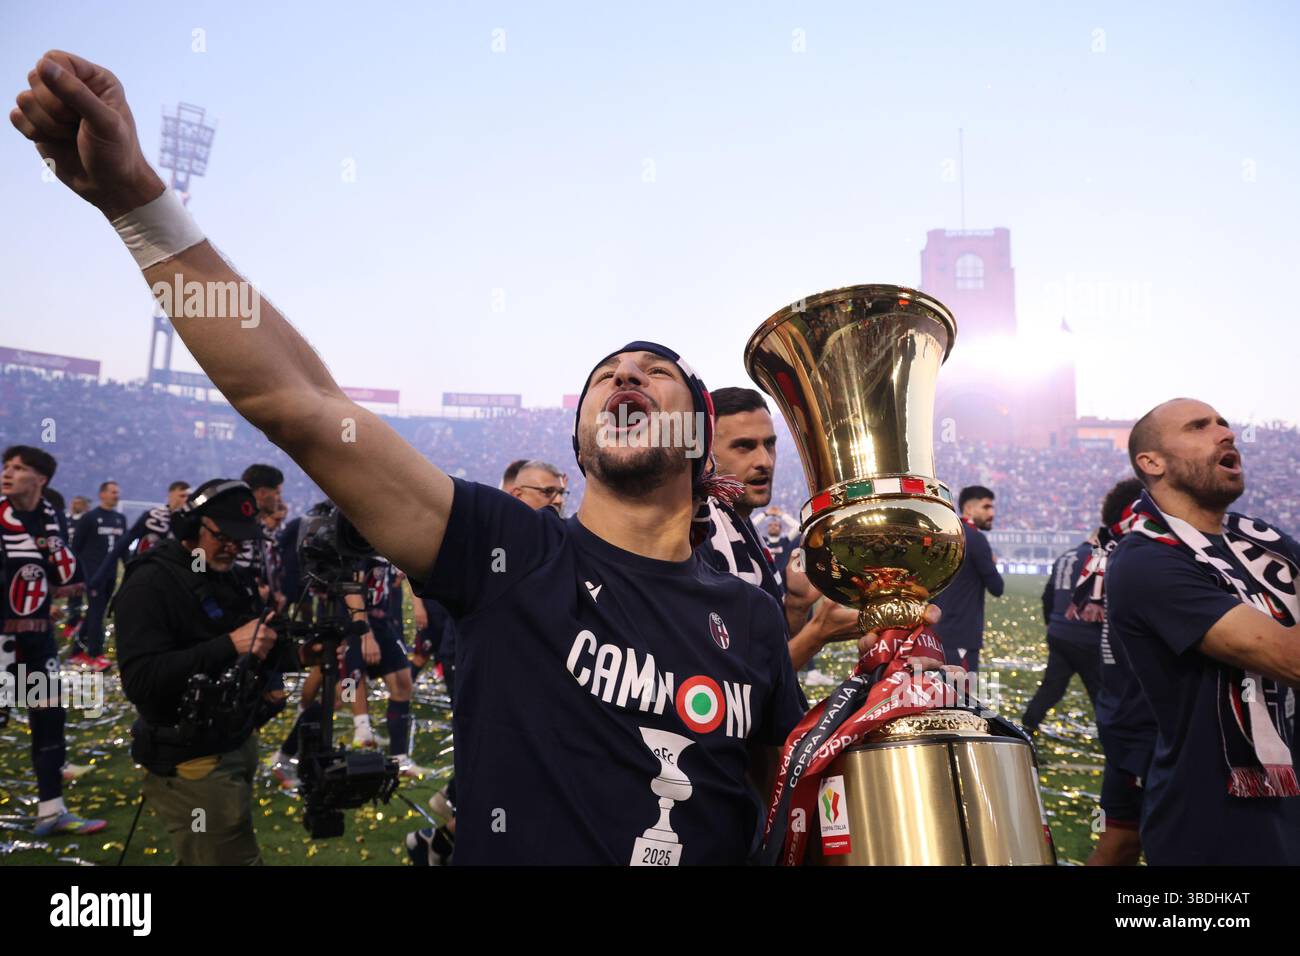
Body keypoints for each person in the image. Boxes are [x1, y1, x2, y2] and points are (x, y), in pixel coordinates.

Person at [12, 52, 930, 865]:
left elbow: (771, 803)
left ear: (697, 436)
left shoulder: (750, 617)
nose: (624, 378)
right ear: (580, 441)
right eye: (604, 376)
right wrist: (137, 200)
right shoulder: (510, 553)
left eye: (654, 373)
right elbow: (302, 406)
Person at [1107, 398, 1300, 864]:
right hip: (1216, 820)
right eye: (1199, 426)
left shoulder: (1263, 541)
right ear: (1151, 463)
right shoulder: (1146, 561)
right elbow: (1289, 658)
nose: (1225, 433)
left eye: (1224, 423)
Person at [112, 479, 286, 865]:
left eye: (241, 540)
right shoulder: (150, 584)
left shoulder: (225, 576)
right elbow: (141, 680)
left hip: (231, 741)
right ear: (191, 528)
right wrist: (228, 644)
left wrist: (301, 653)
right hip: (189, 756)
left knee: (207, 853)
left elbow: (249, 644)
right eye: (223, 537)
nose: (233, 548)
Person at [701, 387, 861, 672]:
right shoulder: (698, 534)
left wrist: (797, 606)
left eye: (769, 444)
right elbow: (738, 684)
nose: (765, 460)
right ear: (706, 456)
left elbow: (772, 647)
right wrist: (818, 634)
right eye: (744, 446)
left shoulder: (743, 526)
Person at [0, 445, 105, 836]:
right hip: (0, 640)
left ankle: (51, 811)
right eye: (6, 467)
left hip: (37, 637)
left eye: (19, 468)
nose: (8, 473)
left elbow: (65, 576)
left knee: (49, 720)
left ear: (40, 479)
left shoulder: (52, 518)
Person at [1073, 477, 1154, 866]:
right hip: (1149, 731)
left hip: (1124, 720)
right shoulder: (1151, 562)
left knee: (1121, 841)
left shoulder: (1120, 558)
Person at [1021, 534, 1102, 735]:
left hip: (1059, 632)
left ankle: (1028, 723)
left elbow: (1047, 595)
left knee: (1052, 686)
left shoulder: (1066, 556)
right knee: (1101, 689)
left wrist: (1051, 623)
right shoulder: (1100, 557)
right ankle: (1112, 732)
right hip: (1085, 635)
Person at [931, 485, 1004, 672]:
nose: (992, 513)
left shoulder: (945, 534)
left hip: (935, 629)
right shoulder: (976, 538)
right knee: (961, 697)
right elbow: (997, 587)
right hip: (962, 633)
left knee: (936, 694)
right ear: (969, 509)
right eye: (986, 507)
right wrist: (991, 563)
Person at [69, 479, 126, 670]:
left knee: (96, 612)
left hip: (110, 575)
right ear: (102, 494)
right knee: (96, 613)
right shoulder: (90, 518)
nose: (116, 495)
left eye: (117, 492)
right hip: (92, 575)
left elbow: (123, 549)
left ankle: (76, 652)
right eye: (112, 492)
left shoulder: (120, 519)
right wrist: (78, 574)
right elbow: (76, 547)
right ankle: (95, 655)